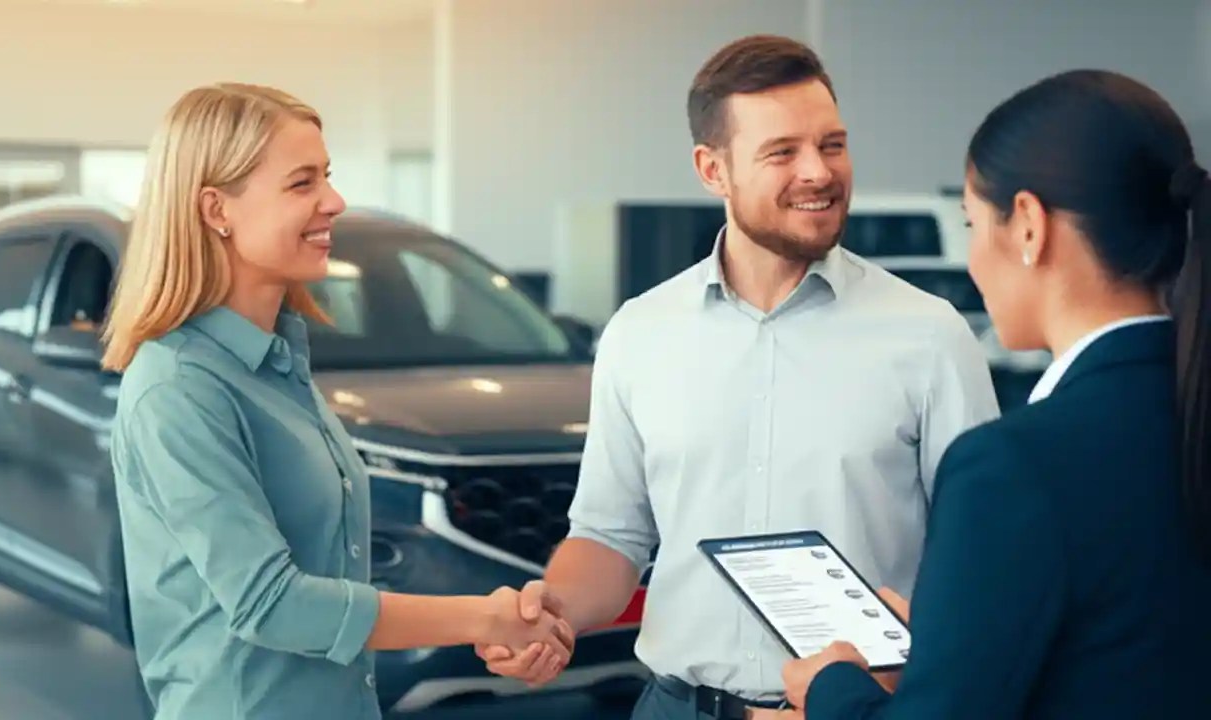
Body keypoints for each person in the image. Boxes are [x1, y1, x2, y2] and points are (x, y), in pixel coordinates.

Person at [476, 35, 999, 718]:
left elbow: (984, 561)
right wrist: (548, 614)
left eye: (832, 145)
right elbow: (611, 534)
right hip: (677, 706)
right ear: (712, 169)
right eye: (782, 152)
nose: (818, 171)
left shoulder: (930, 336)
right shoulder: (641, 332)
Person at [101, 83, 572, 719]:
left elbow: (332, 575)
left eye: (327, 176)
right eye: (302, 184)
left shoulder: (279, 361)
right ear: (216, 208)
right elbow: (272, 604)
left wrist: (501, 621)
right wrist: (482, 617)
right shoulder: (179, 386)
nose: (334, 202)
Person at [779, 69, 1211, 719]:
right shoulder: (1181, 411)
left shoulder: (1013, 466)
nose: (974, 259)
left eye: (973, 223)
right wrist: (952, 627)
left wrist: (833, 686)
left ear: (1030, 226)